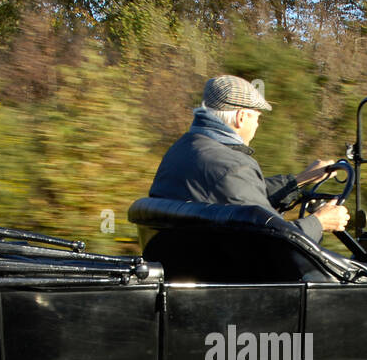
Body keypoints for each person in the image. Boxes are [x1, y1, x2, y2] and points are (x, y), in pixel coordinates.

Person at [148, 75, 351, 241]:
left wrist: (299, 181)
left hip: (189, 261)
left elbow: (241, 201)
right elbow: (270, 242)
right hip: (229, 275)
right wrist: (319, 222)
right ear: (241, 118)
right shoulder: (231, 165)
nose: (257, 125)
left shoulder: (182, 149)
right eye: (257, 117)